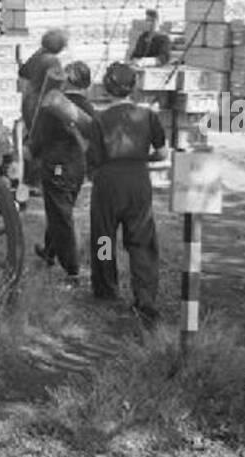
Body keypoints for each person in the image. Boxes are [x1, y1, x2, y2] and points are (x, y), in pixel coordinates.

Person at [88, 62, 167, 327]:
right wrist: (146, 156)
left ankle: (106, 289)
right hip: (138, 180)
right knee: (141, 239)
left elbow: (94, 158)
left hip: (108, 182)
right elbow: (163, 153)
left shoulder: (98, 120)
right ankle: (145, 298)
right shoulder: (148, 116)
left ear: (107, 87)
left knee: (104, 237)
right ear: (134, 86)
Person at [29, 61, 95, 282]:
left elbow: (39, 137)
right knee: (59, 210)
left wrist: (32, 152)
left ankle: (72, 269)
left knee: (61, 215)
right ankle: (49, 252)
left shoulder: (53, 105)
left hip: (57, 164)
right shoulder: (88, 107)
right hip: (78, 166)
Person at [14, 28, 68, 191]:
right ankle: (37, 181)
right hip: (41, 103)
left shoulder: (38, 55)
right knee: (43, 141)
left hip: (29, 101)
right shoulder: (52, 61)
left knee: (32, 138)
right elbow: (59, 83)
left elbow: (23, 72)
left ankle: (29, 178)